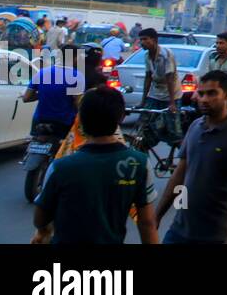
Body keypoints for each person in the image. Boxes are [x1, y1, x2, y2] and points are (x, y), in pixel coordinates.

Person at [32, 86, 159, 245]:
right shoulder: (139, 164)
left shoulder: (60, 167)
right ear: (120, 118)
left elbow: (40, 218)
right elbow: (146, 223)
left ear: (81, 119)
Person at [156, 71, 227, 244]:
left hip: (214, 235)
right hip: (179, 231)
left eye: (212, 93)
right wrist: (158, 215)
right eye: (201, 94)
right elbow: (180, 174)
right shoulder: (195, 126)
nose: (204, 99)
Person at [22, 51, 82, 143]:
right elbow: (78, 104)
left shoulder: (41, 73)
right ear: (75, 58)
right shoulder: (77, 76)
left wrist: (44, 93)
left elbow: (26, 98)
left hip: (39, 120)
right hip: (63, 123)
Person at [138, 28, 182, 147]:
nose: (142, 42)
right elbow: (148, 77)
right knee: (145, 123)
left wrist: (172, 103)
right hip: (155, 94)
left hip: (171, 95)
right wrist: (143, 101)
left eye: (145, 39)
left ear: (154, 40)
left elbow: (170, 78)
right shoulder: (147, 56)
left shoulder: (165, 54)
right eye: (141, 39)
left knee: (174, 132)